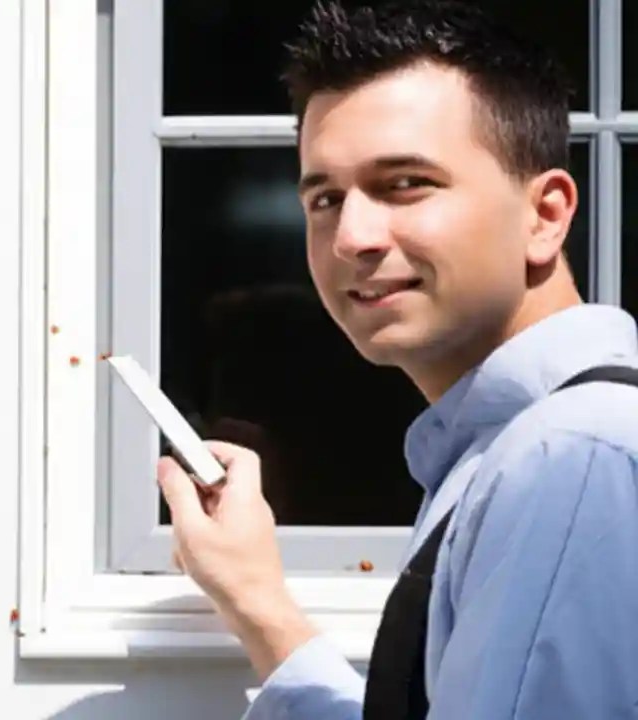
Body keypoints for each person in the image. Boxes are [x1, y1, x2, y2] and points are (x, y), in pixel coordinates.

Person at [156, 1, 638, 718]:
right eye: (323, 198)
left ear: (546, 215)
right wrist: (259, 604)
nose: (351, 235)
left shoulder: (569, 457)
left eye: (404, 184)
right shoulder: (521, 445)